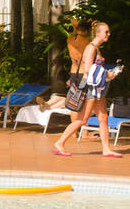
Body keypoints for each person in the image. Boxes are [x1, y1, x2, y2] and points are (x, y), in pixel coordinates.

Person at [52, 20, 123, 158]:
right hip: (91, 88)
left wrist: (108, 75)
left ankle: (106, 149)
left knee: (103, 118)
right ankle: (59, 142)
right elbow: (89, 68)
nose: (108, 34)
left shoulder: (95, 47)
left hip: (97, 88)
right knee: (83, 119)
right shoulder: (91, 48)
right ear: (98, 33)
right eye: (106, 32)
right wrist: (107, 74)